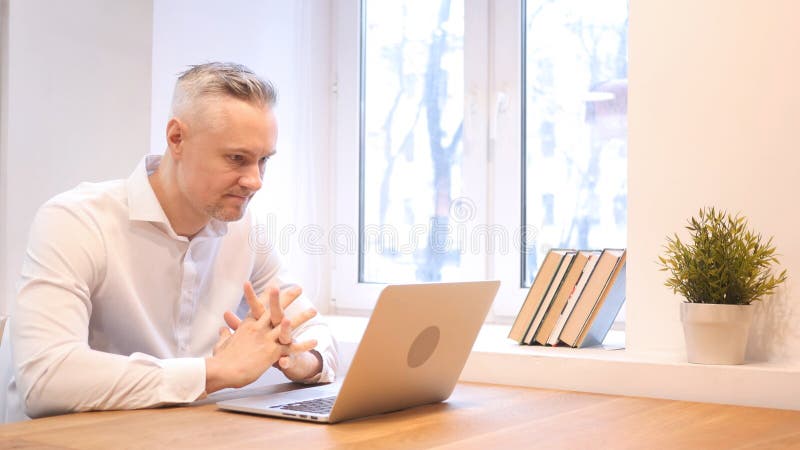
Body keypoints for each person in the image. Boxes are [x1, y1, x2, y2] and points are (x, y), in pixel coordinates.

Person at [8, 62, 337, 419]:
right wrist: (216, 372)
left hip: (179, 436)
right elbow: (46, 379)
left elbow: (312, 328)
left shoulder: (244, 230)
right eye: (237, 159)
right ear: (177, 139)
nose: (255, 181)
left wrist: (300, 359)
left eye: (263, 161)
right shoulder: (76, 221)